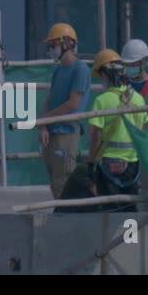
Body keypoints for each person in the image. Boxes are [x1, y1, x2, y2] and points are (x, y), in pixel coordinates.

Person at [86, 49, 148, 212]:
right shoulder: (138, 98)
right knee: (129, 207)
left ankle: (111, 238)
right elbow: (143, 132)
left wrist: (90, 164)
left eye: (100, 75)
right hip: (133, 165)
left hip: (107, 164)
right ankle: (131, 237)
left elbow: (95, 137)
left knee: (110, 209)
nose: (100, 80)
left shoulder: (101, 101)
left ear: (105, 74)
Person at [39, 23, 91, 199]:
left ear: (67, 43)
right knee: (55, 182)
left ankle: (67, 220)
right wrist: (43, 125)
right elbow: (50, 100)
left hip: (67, 132)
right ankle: (62, 216)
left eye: (53, 45)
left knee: (64, 180)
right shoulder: (58, 71)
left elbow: (73, 104)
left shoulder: (80, 69)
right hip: (53, 132)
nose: (51, 50)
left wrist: (46, 119)